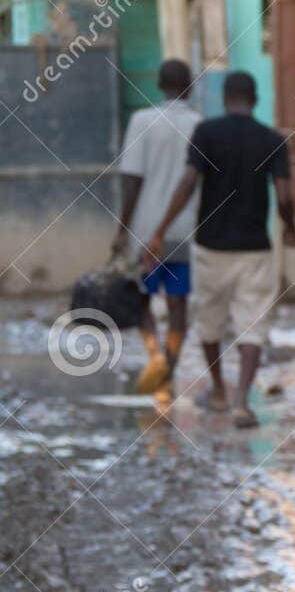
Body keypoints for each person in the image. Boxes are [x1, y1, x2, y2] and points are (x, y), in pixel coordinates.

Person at [148, 69, 295, 429]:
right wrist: (291, 227)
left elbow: (187, 183)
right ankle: (243, 402)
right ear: (255, 100)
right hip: (254, 248)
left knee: (210, 322)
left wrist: (160, 230)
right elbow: (283, 194)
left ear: (226, 98)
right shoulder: (272, 140)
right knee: (253, 324)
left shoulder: (207, 133)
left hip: (211, 245)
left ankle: (218, 391)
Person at [112, 59, 200, 399]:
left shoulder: (141, 121)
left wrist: (122, 228)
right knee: (178, 305)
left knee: (142, 301)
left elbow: (131, 179)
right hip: (186, 230)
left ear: (159, 85)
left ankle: (155, 357)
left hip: (146, 233)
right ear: (189, 87)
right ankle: (168, 373)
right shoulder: (199, 125)